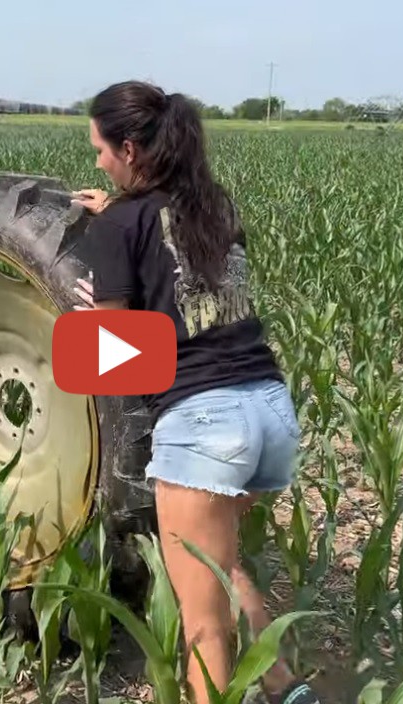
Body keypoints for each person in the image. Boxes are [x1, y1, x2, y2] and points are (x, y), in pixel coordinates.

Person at [69, 80, 320, 704]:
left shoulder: (122, 225)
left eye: (100, 149)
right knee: (223, 567)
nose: (97, 161)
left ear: (128, 149)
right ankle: (286, 689)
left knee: (200, 627)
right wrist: (117, 220)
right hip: (269, 412)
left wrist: (83, 319)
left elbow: (117, 362)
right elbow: (180, 265)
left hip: (207, 425)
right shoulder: (215, 206)